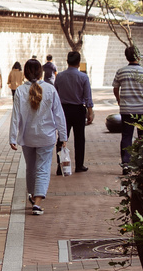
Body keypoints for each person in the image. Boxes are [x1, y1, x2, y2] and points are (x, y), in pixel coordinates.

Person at [10, 59, 68, 215]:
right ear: (41, 72)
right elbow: (59, 115)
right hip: (47, 137)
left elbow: (15, 116)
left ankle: (32, 194)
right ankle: (37, 201)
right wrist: (63, 136)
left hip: (27, 137)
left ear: (26, 73)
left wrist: (12, 138)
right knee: (43, 168)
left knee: (31, 167)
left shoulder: (21, 91)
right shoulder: (50, 89)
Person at [112, 46, 143, 173]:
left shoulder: (121, 71)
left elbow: (115, 87)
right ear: (139, 56)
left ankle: (126, 164)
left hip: (126, 109)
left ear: (126, 57)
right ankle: (142, 163)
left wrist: (119, 100)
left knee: (126, 136)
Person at [53, 51, 94, 173]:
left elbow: (55, 95)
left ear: (67, 61)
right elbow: (88, 97)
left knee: (62, 137)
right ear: (78, 62)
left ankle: (60, 166)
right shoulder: (83, 77)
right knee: (79, 138)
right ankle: (79, 165)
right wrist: (90, 112)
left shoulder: (59, 76)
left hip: (63, 110)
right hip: (78, 110)